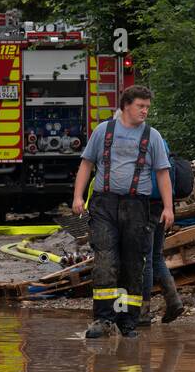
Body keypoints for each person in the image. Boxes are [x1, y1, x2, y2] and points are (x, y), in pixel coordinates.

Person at [72, 85, 173, 340]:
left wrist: (169, 208)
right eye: (141, 106)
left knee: (132, 265)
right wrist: (77, 197)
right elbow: (86, 164)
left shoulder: (153, 137)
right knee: (105, 262)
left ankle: (128, 322)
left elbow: (163, 173)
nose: (145, 111)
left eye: (147, 107)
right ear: (126, 105)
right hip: (104, 205)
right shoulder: (103, 131)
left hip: (137, 207)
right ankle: (103, 320)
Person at [140, 134, 185, 326]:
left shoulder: (138, 140)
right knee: (156, 256)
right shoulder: (159, 140)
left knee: (146, 258)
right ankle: (174, 301)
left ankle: (143, 311)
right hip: (163, 204)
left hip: (146, 204)